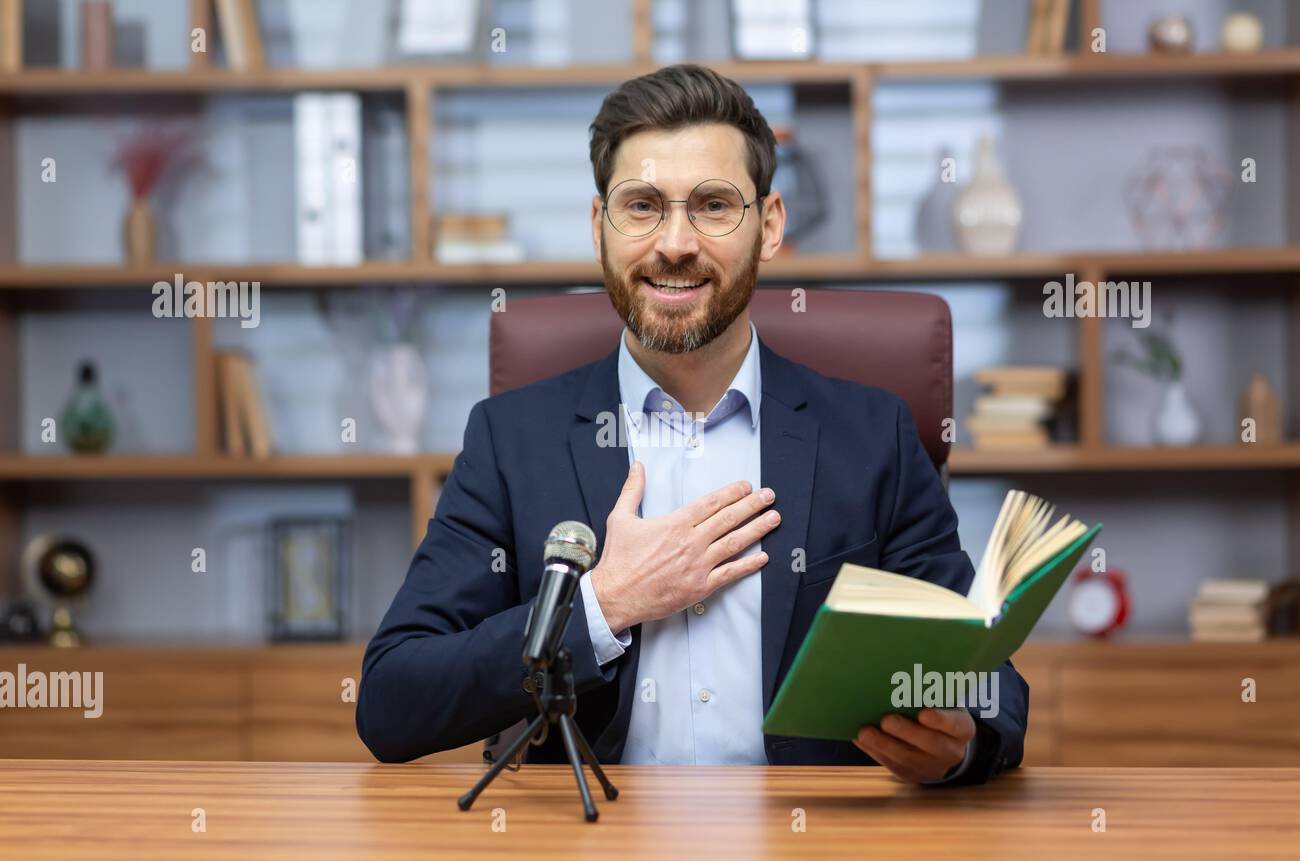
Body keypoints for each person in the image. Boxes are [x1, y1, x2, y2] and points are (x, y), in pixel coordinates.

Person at [358, 64, 1026, 784]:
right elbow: (393, 702)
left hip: (818, 846)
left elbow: (992, 687)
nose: (675, 244)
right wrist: (602, 607)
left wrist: (961, 742)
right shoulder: (510, 441)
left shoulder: (875, 437)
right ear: (599, 225)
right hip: (590, 845)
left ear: (769, 226)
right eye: (642, 205)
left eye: (712, 206)